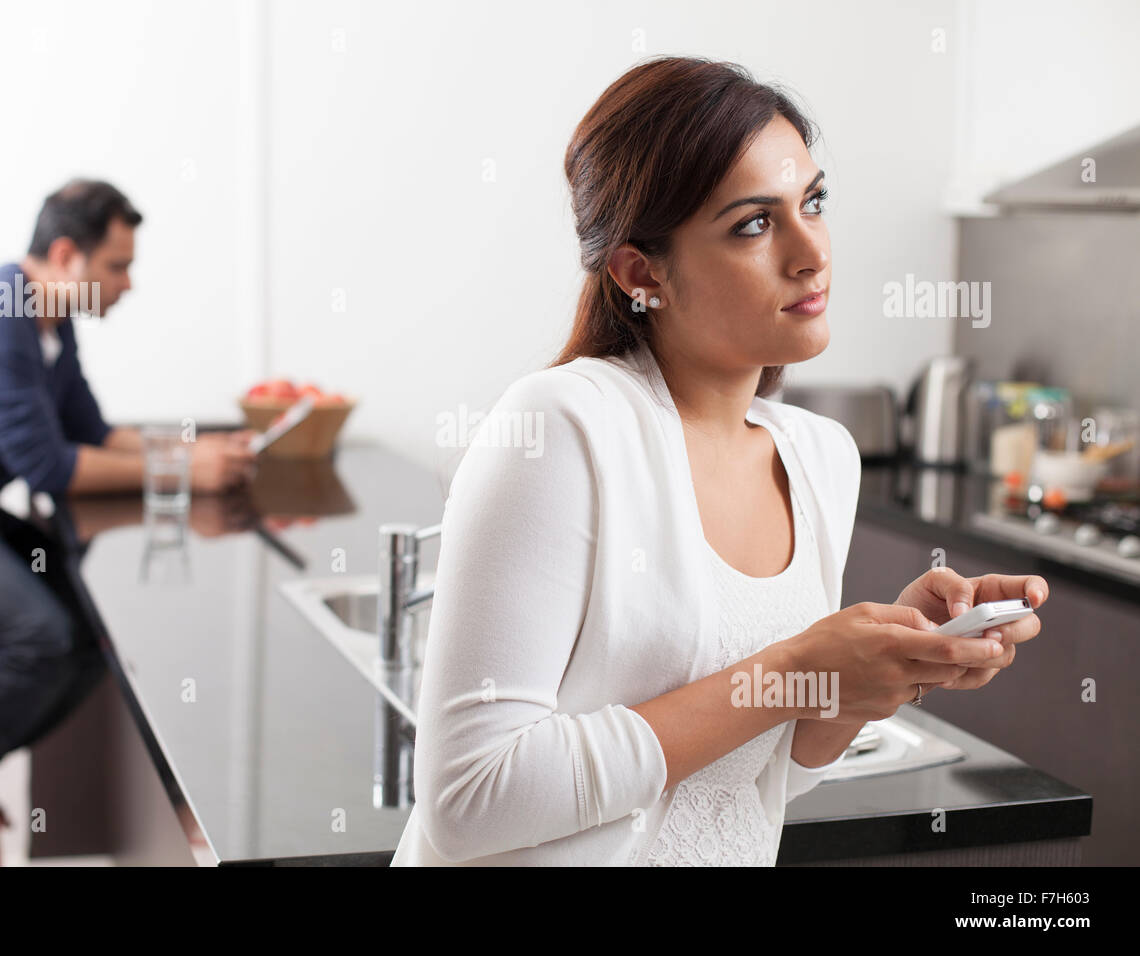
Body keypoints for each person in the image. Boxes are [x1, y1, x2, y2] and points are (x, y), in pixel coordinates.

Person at [391, 57, 1048, 866]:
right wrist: (793, 667)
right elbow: (470, 798)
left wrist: (870, 675)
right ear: (642, 273)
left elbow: (754, 777)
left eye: (812, 201)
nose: (811, 253)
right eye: (753, 223)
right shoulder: (563, 428)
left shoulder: (819, 458)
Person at [0, 179, 255, 865]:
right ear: (67, 255)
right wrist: (180, 472)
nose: (127, 283)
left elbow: (90, 430)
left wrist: (194, 454)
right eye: (117, 266)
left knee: (94, 631)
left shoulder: (50, 326)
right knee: (41, 635)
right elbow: (46, 465)